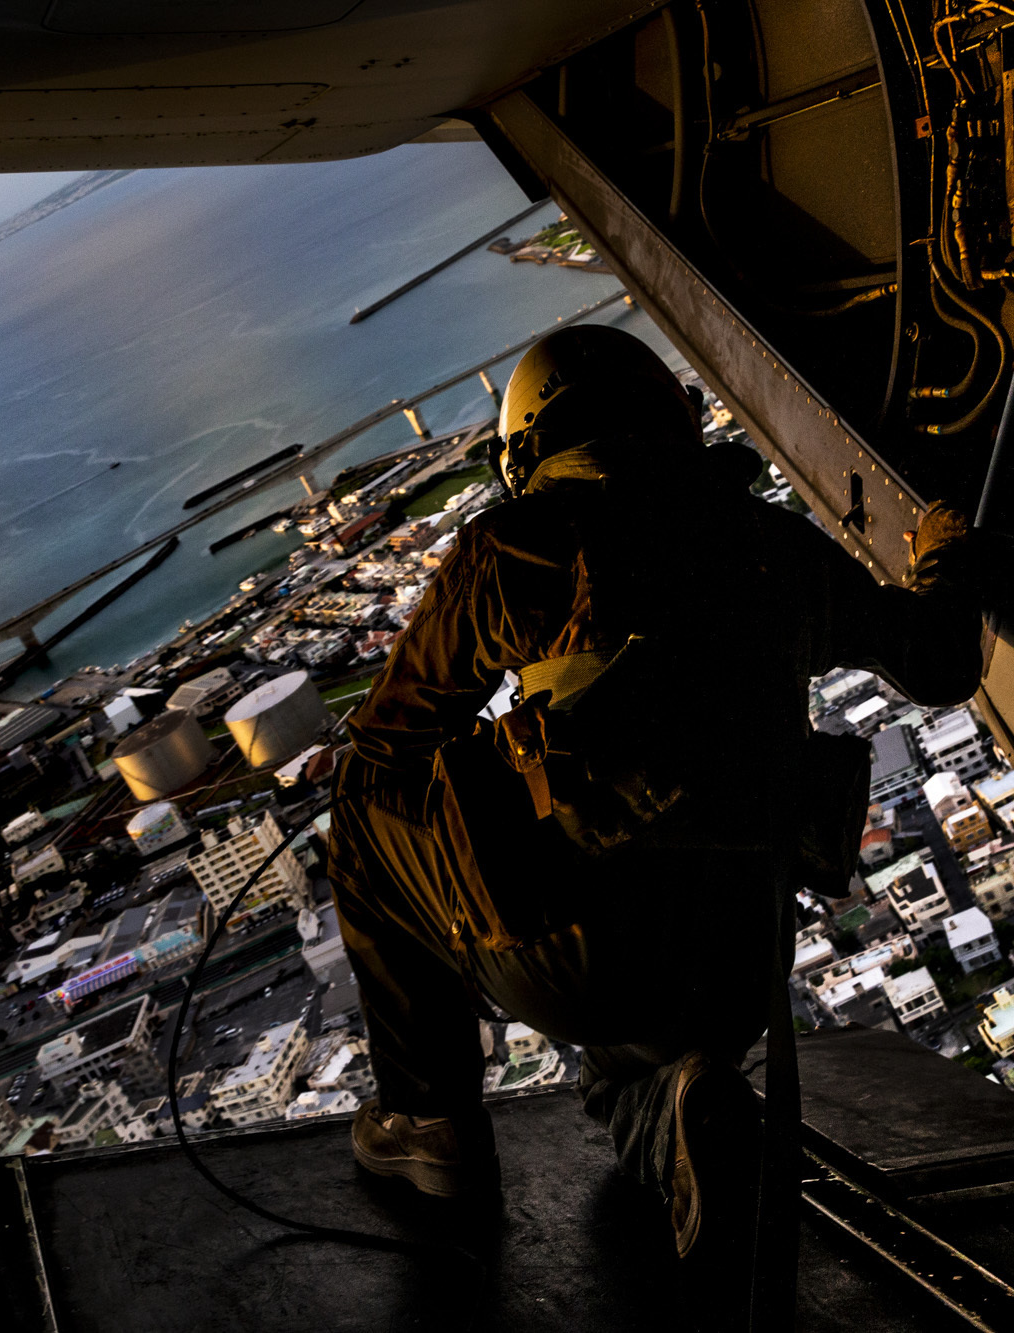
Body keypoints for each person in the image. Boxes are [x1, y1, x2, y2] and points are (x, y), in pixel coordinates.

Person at [327, 325, 981, 1269]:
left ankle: (428, 1120)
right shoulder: (772, 545)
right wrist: (943, 558)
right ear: (670, 415)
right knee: (634, 1075)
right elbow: (938, 658)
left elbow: (388, 749)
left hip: (585, 963)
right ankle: (689, 1099)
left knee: (360, 796)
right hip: (739, 958)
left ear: (529, 451)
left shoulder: (514, 549)